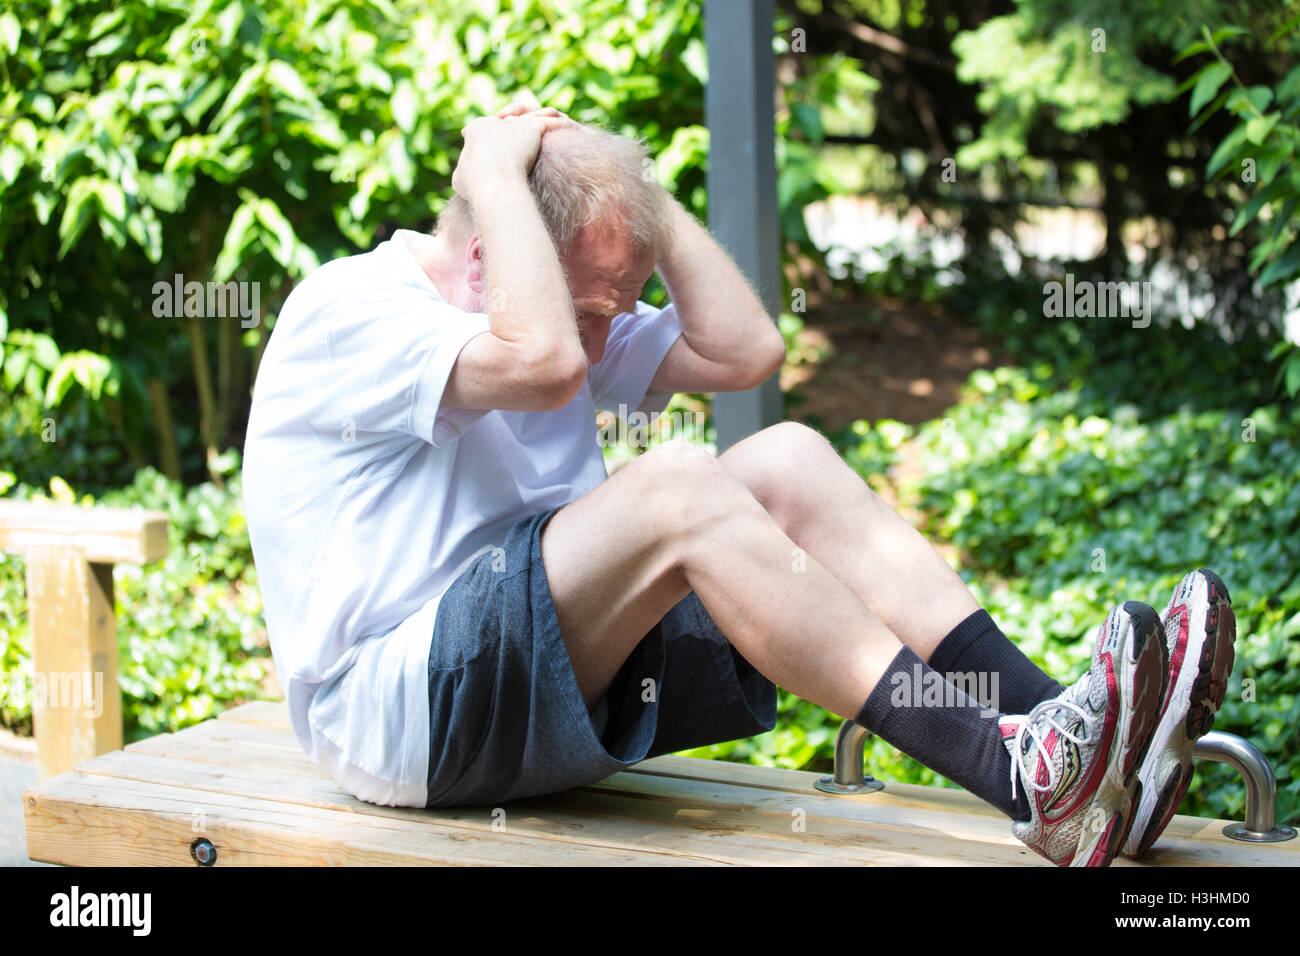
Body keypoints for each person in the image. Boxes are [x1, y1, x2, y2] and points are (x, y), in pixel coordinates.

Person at [241, 105, 1236, 867]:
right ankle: (1017, 775)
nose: (603, 342)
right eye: (596, 310)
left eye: (614, 313)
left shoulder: (558, 317)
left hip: (543, 685)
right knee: (675, 484)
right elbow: (544, 358)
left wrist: (636, 195)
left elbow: (746, 350)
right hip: (402, 716)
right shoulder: (353, 311)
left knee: (785, 459)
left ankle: (1064, 737)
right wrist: (496, 171)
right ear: (485, 256)